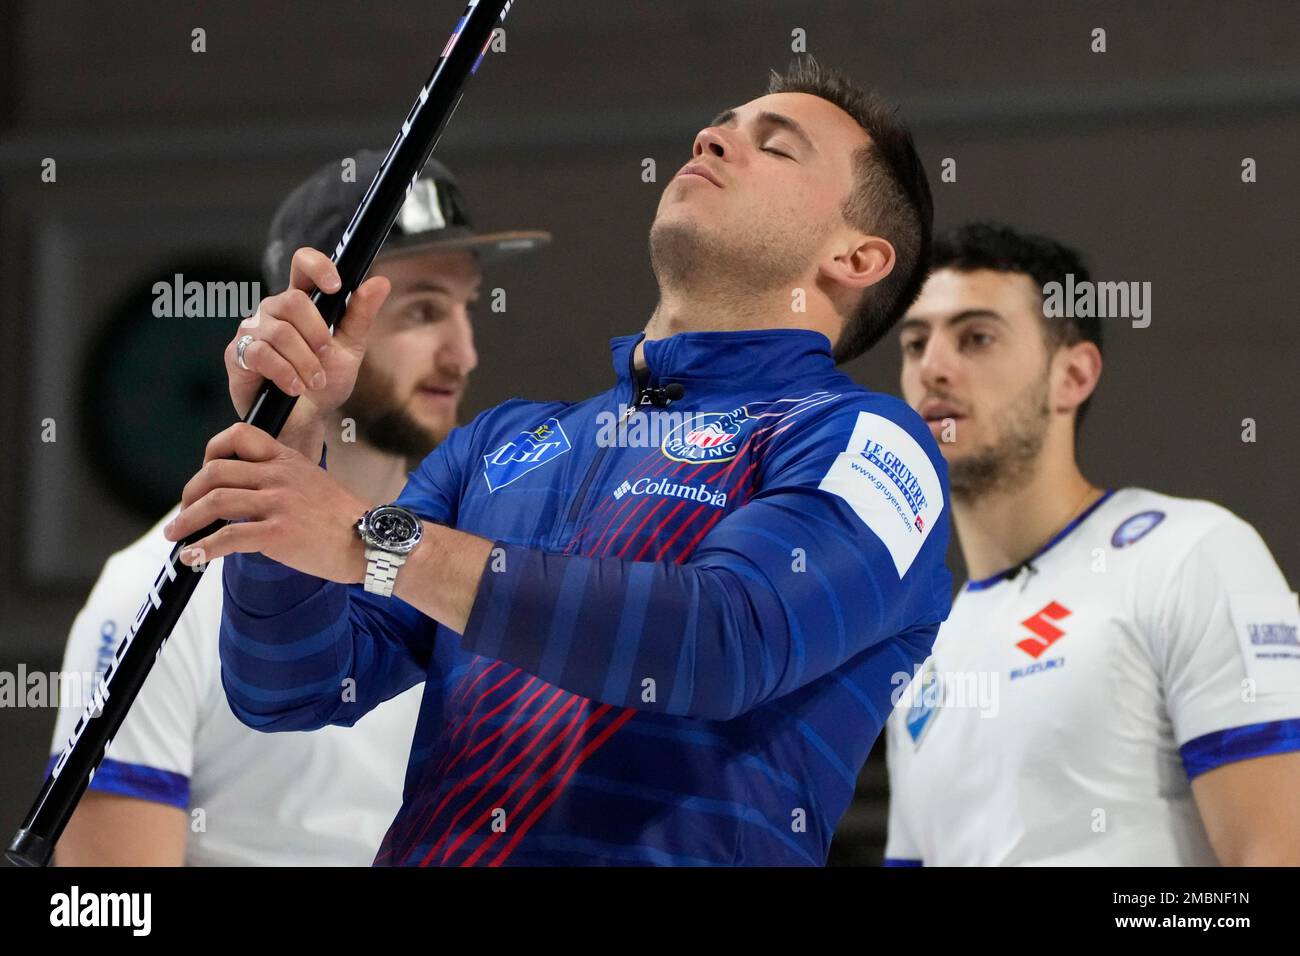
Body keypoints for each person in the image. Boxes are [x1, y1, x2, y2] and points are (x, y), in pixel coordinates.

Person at [165, 58, 953, 866]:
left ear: (859, 259)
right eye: (720, 124)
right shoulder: (502, 443)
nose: (711, 139)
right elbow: (291, 687)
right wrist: (297, 438)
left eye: (776, 146)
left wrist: (375, 541)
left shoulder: (869, 443)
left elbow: (722, 640)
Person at [49, 152, 550, 865]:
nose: (462, 354)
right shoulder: (156, 587)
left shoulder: (469, 569)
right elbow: (106, 907)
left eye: (466, 307)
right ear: (310, 328)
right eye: (423, 310)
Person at [884, 221, 1300, 866]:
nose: (933, 368)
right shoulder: (919, 652)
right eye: (915, 344)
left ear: (1072, 375)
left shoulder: (1193, 554)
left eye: (977, 337)